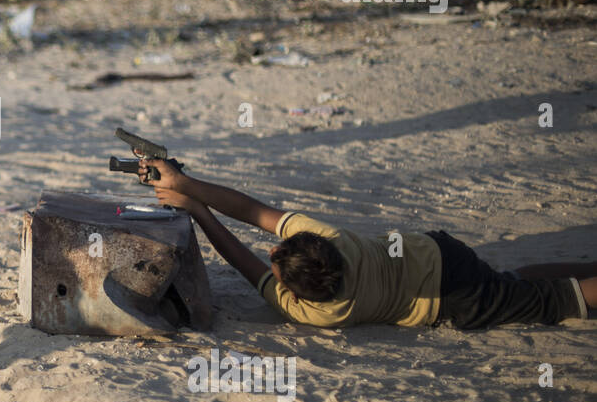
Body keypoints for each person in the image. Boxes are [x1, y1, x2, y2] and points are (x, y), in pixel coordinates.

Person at [137, 157, 593, 329]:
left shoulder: (316, 312)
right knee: (507, 282)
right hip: (439, 251)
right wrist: (189, 185)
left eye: (274, 261)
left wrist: (195, 205)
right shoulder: (335, 241)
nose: (269, 252)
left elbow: (242, 260)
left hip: (450, 299)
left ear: (293, 292)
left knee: (549, 301)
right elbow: (253, 211)